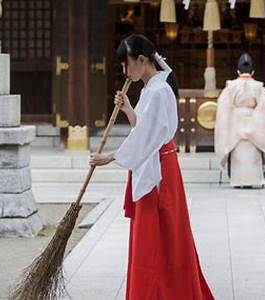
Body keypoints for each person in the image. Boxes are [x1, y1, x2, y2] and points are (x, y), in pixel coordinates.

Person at [89, 34, 215, 300]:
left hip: (159, 172)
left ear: (142, 60)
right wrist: (129, 110)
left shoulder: (158, 90)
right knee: (162, 238)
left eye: (127, 64)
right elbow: (146, 128)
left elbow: (147, 137)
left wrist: (110, 157)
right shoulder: (153, 89)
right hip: (158, 163)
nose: (125, 71)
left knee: (157, 240)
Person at [214, 53, 265, 189]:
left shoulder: (230, 88)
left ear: (237, 71)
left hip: (235, 126)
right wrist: (254, 119)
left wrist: (234, 116)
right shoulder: (259, 88)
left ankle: (237, 180)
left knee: (238, 154)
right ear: (253, 72)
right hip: (256, 125)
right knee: (253, 154)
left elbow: (223, 106)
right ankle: (255, 179)